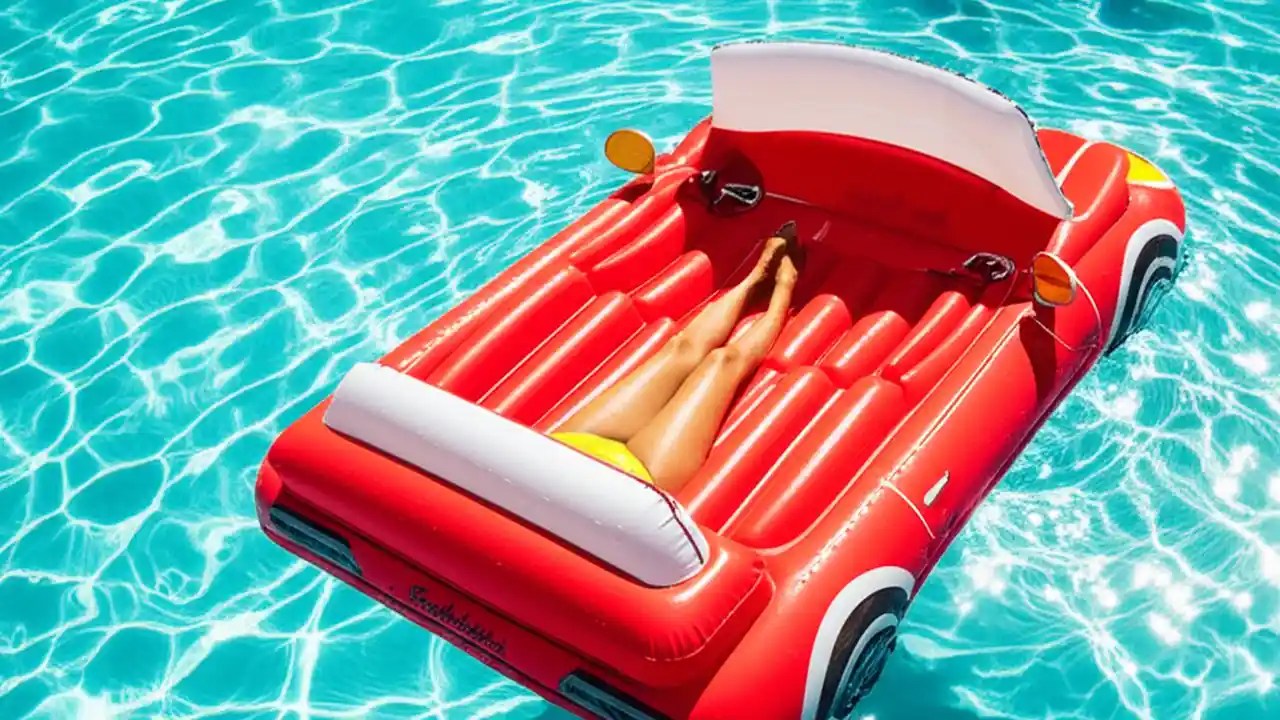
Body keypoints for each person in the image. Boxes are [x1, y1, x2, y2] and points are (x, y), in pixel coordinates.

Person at [551, 221, 801, 494]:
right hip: (634, 485)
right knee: (722, 362)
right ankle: (784, 288)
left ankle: (755, 277)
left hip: (567, 452)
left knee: (679, 348)